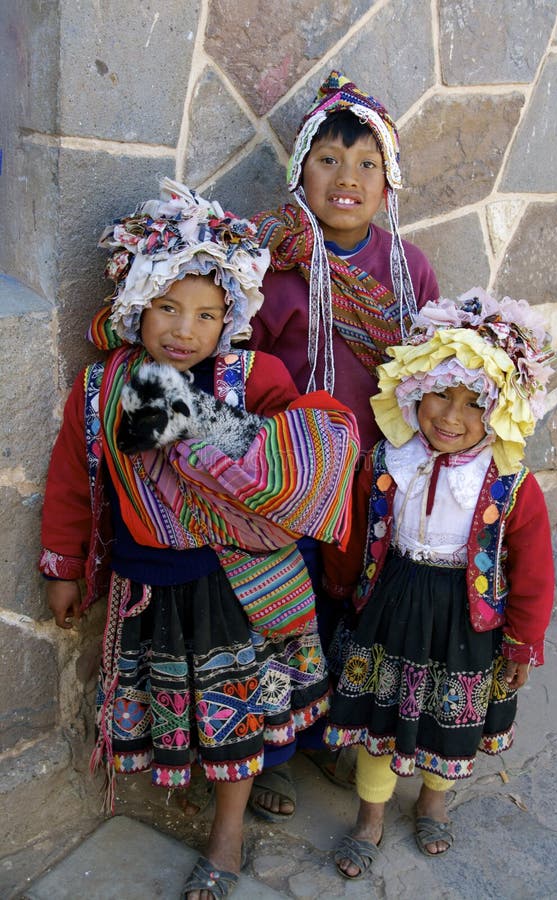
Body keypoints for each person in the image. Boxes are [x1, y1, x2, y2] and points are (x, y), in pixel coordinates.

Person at [39, 178, 359, 900]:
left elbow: (308, 444)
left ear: (230, 319)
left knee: (242, 702)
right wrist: (64, 567)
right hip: (155, 583)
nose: (184, 329)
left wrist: (210, 431)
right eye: (166, 308)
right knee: (187, 703)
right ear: (133, 307)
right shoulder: (101, 392)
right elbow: (71, 484)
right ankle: (219, 781)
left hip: (237, 585)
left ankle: (228, 832)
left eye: (207, 314)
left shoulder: (254, 377)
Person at [246, 69, 440, 820]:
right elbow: (245, 366)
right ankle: (269, 752)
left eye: (366, 164)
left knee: (347, 609)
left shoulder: (406, 267)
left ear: (388, 183)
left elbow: (425, 370)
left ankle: (327, 732)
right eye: (328, 158)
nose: (346, 178)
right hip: (290, 479)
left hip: (373, 480)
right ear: (301, 172)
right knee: (282, 612)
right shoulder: (272, 261)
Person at [322, 289, 555, 878]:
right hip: (391, 603)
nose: (451, 418)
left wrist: (524, 641)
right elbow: (354, 535)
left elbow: (532, 570)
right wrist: (341, 588)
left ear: (502, 410)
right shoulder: (386, 460)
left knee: (449, 717)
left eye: (474, 404)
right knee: (380, 713)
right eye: (439, 396)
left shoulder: (511, 483)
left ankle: (432, 801)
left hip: (465, 615)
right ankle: (370, 816)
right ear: (413, 391)